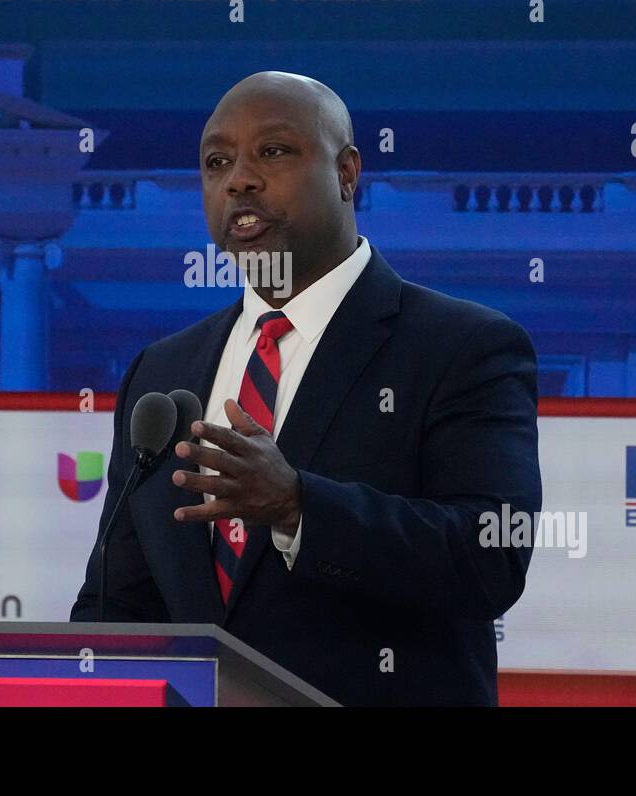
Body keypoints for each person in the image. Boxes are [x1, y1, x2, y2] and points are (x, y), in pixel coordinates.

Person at [70, 71, 542, 705]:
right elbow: (120, 599)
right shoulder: (163, 372)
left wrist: (297, 507)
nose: (239, 178)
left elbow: (491, 556)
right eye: (217, 161)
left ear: (347, 173)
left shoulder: (462, 346)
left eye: (273, 151)